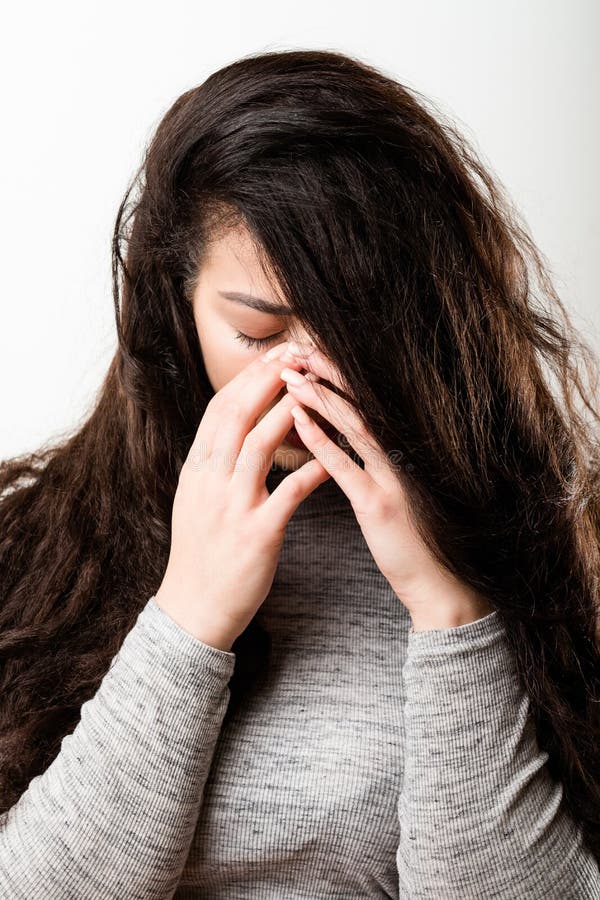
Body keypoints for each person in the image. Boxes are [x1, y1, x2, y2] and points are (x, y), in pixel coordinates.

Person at [0, 48, 599, 899]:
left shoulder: (552, 537)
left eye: (357, 329)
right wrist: (188, 616)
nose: (317, 378)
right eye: (260, 332)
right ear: (177, 309)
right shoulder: (43, 541)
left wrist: (451, 610)